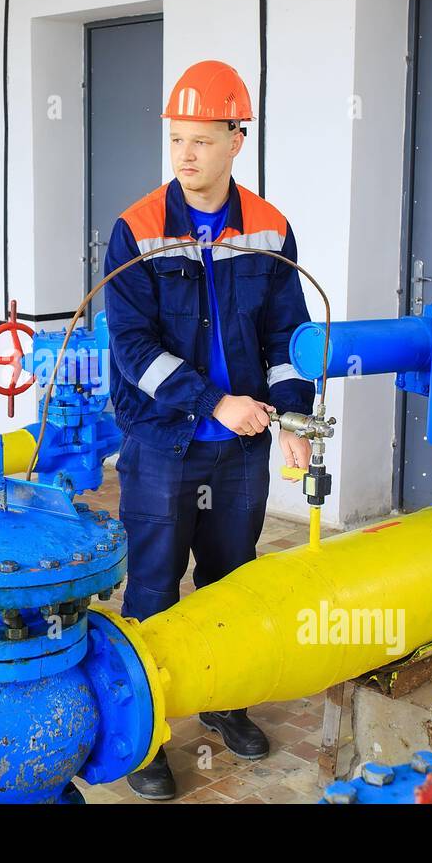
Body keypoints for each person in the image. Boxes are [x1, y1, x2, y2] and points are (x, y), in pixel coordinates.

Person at [102, 60, 315, 800]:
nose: (185, 155)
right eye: (176, 141)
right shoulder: (135, 230)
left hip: (241, 456)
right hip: (164, 444)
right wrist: (210, 402)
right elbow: (130, 349)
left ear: (236, 139)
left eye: (200, 140)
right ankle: (147, 734)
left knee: (231, 582)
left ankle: (225, 701)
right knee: (154, 588)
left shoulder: (269, 227)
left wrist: (291, 420)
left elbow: (290, 336)